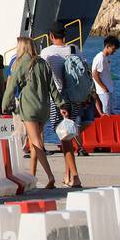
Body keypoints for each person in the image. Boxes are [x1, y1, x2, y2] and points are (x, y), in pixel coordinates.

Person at [2, 36, 62, 188]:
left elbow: (11, 86)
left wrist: (5, 105)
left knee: (36, 142)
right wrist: (62, 104)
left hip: (29, 107)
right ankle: (32, 176)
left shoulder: (20, 63)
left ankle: (50, 177)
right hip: (44, 107)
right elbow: (52, 87)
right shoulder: (43, 63)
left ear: (21, 47)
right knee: (33, 142)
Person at [41, 27, 83, 189]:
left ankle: (75, 177)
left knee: (64, 137)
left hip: (57, 98)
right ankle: (67, 175)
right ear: (65, 35)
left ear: (51, 36)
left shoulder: (46, 53)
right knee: (68, 135)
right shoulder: (74, 49)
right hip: (75, 97)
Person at [92, 36, 120, 115]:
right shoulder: (100, 58)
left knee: (110, 113)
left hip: (107, 91)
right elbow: (95, 74)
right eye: (113, 48)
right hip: (103, 92)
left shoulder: (105, 58)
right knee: (106, 114)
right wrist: (104, 88)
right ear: (107, 46)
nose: (114, 51)